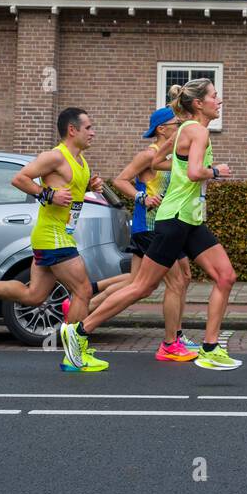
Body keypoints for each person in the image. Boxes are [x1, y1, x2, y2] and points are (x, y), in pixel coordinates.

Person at [62, 79, 240, 371]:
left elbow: (157, 161)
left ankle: (210, 348)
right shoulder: (197, 132)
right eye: (214, 96)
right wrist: (216, 172)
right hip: (175, 219)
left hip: (190, 219)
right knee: (142, 286)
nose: (219, 101)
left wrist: (182, 166)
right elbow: (196, 172)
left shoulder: (185, 129)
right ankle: (79, 331)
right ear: (199, 103)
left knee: (225, 276)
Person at [0, 107, 107, 372]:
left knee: (34, 295)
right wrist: (47, 195)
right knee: (83, 291)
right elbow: (20, 178)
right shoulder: (54, 156)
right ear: (72, 130)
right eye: (88, 127)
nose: (93, 132)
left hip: (55, 234)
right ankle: (75, 355)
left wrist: (89, 187)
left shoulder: (81, 160)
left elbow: (68, 188)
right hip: (54, 236)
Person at [88, 106, 200, 362]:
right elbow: (120, 180)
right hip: (150, 226)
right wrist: (143, 196)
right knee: (174, 282)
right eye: (175, 123)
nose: (179, 125)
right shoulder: (148, 155)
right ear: (162, 129)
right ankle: (172, 341)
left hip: (169, 224)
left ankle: (81, 310)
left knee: (144, 282)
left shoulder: (172, 154)